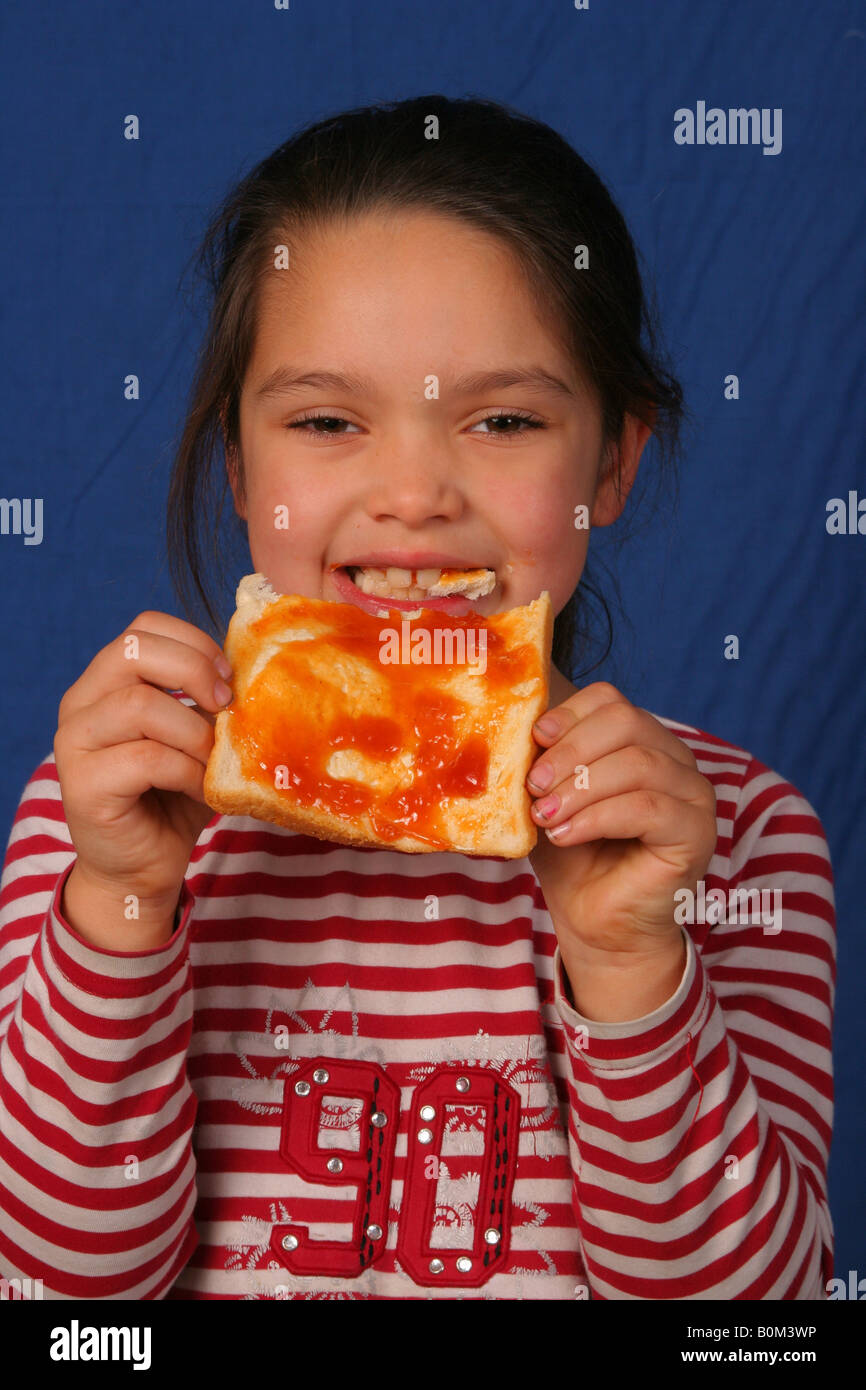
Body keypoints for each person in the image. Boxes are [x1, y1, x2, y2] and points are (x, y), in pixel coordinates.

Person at [0, 95, 835, 1300]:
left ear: (610, 462)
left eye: (502, 419)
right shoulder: (103, 815)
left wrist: (626, 957)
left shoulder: (737, 834)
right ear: (240, 469)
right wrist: (123, 902)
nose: (411, 493)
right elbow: (67, 1296)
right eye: (327, 419)